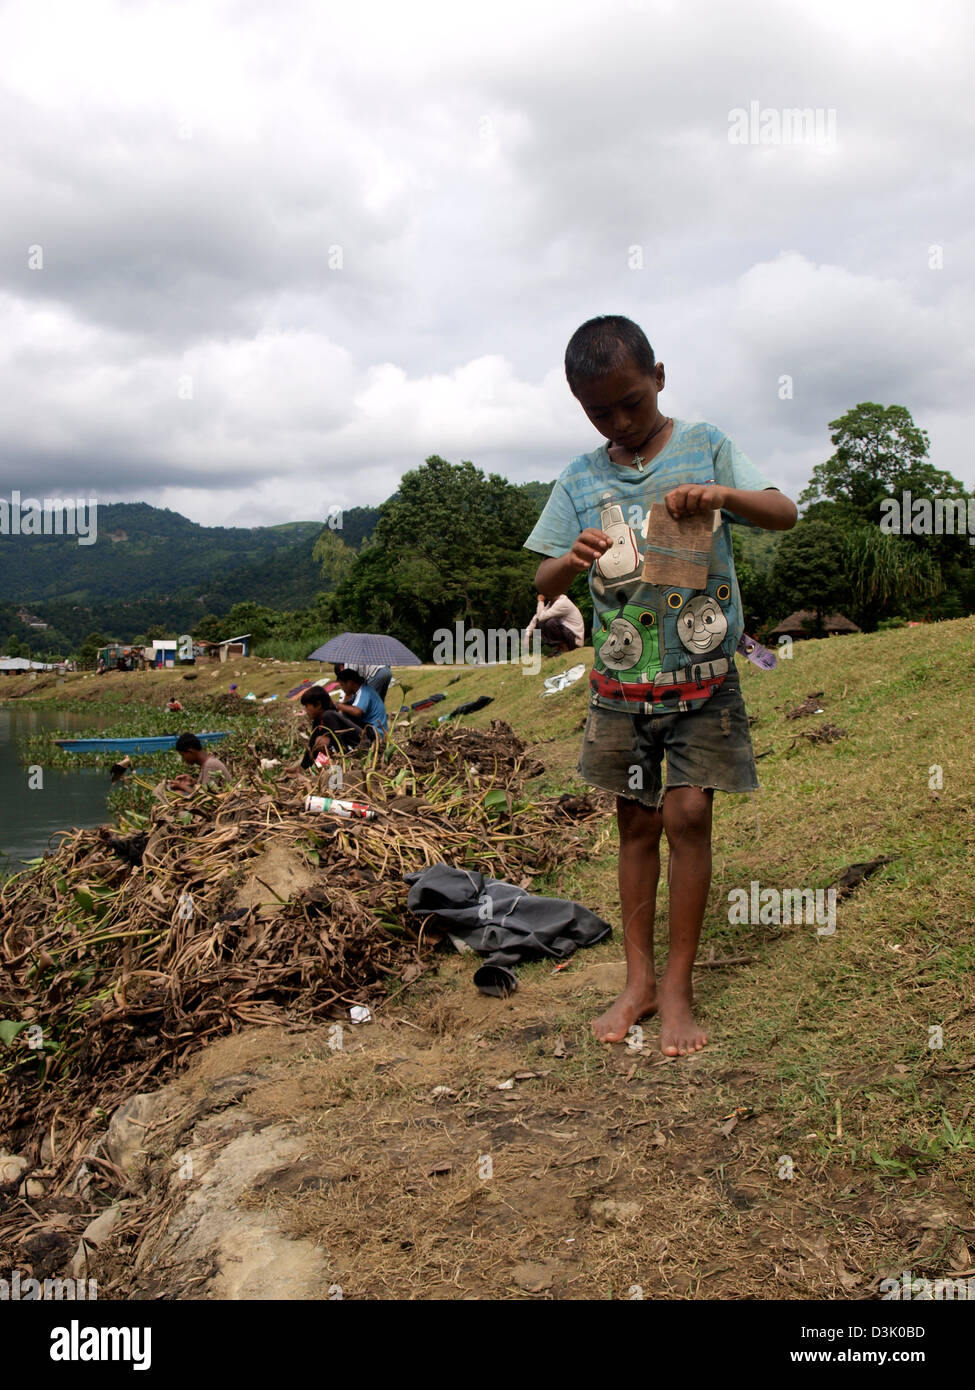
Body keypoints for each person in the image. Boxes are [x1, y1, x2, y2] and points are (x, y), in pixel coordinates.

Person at [523, 315, 797, 1057]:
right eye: (598, 411)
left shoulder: (706, 445)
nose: (618, 422)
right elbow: (543, 579)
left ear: (660, 378)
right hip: (620, 685)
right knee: (636, 824)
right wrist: (570, 559)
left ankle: (676, 986)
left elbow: (783, 510)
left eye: (631, 405)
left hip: (701, 678)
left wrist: (720, 496)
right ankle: (637, 980)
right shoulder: (579, 479)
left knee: (687, 816)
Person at [332, 666, 389, 747]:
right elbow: (347, 705)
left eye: (342, 685)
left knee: (345, 718)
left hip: (376, 733)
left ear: (350, 683)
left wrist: (337, 705)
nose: (342, 689)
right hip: (371, 729)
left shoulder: (364, 692)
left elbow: (357, 712)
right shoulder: (359, 692)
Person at [167, 733, 231, 792]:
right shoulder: (205, 764)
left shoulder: (210, 765)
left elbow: (205, 796)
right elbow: (205, 788)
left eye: (183, 755)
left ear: (190, 752)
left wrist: (181, 786)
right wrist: (192, 781)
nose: (183, 759)